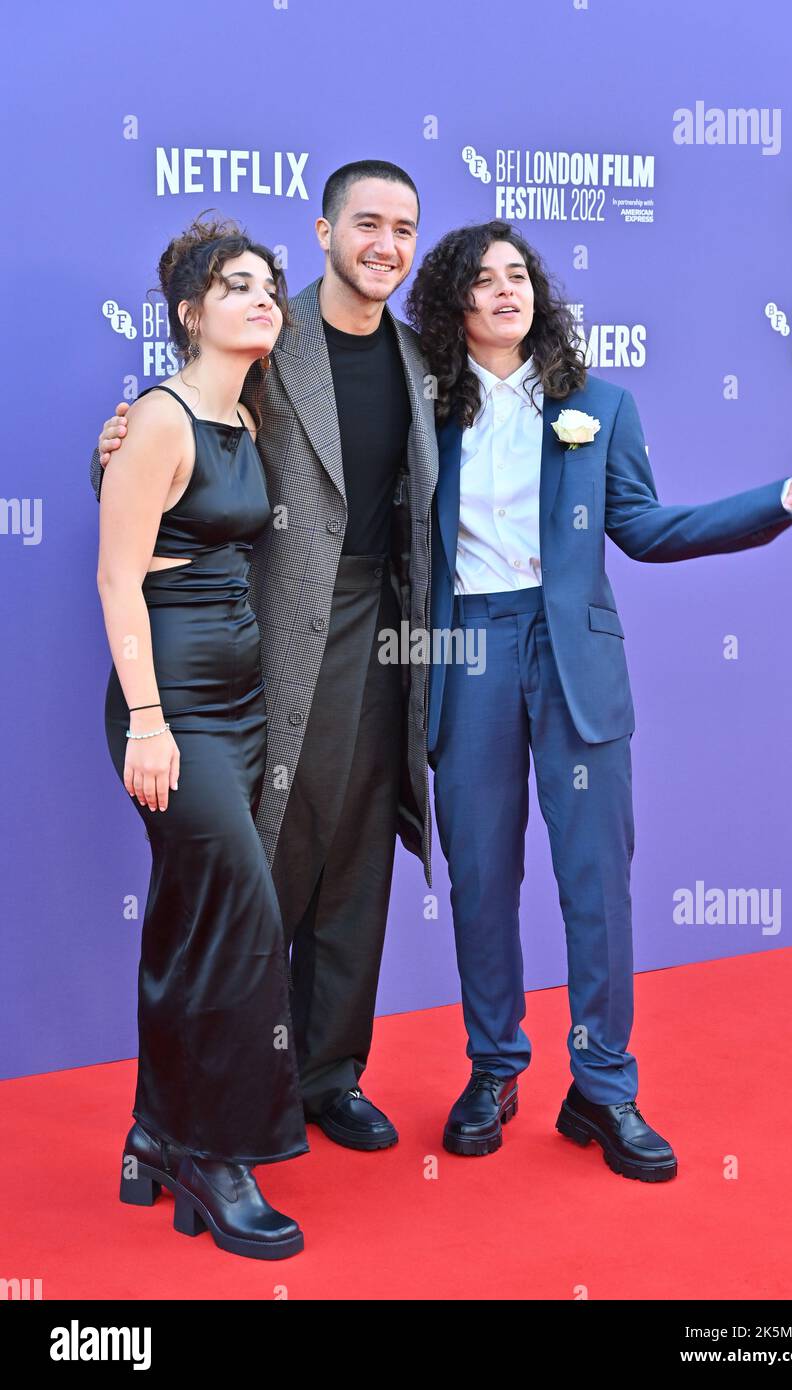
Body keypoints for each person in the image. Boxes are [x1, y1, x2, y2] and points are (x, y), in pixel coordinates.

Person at [405, 220, 792, 1181]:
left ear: (538, 295)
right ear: (451, 305)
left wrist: (774, 503)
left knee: (594, 880)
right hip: (465, 649)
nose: (505, 291)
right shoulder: (421, 410)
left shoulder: (598, 406)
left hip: (574, 664)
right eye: (482, 280)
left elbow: (642, 528)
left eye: (517, 275)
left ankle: (601, 1086)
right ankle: (493, 1068)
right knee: (479, 875)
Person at [91, 162, 438, 1151]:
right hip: (286, 625)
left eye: (404, 227)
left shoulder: (419, 358)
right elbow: (161, 445)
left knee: (360, 850)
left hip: (391, 629)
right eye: (366, 222)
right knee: (269, 860)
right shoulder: (268, 331)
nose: (385, 242)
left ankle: (331, 1072)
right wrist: (108, 447)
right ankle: (232, 1096)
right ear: (323, 231)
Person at [97, 214, 308, 1258]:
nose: (262, 297)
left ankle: (156, 1132)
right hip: (170, 705)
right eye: (235, 284)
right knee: (242, 916)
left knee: (191, 922)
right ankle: (219, 1152)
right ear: (189, 310)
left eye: (269, 283)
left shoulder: (250, 418)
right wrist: (145, 721)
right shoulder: (162, 420)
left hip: (239, 695)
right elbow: (114, 575)